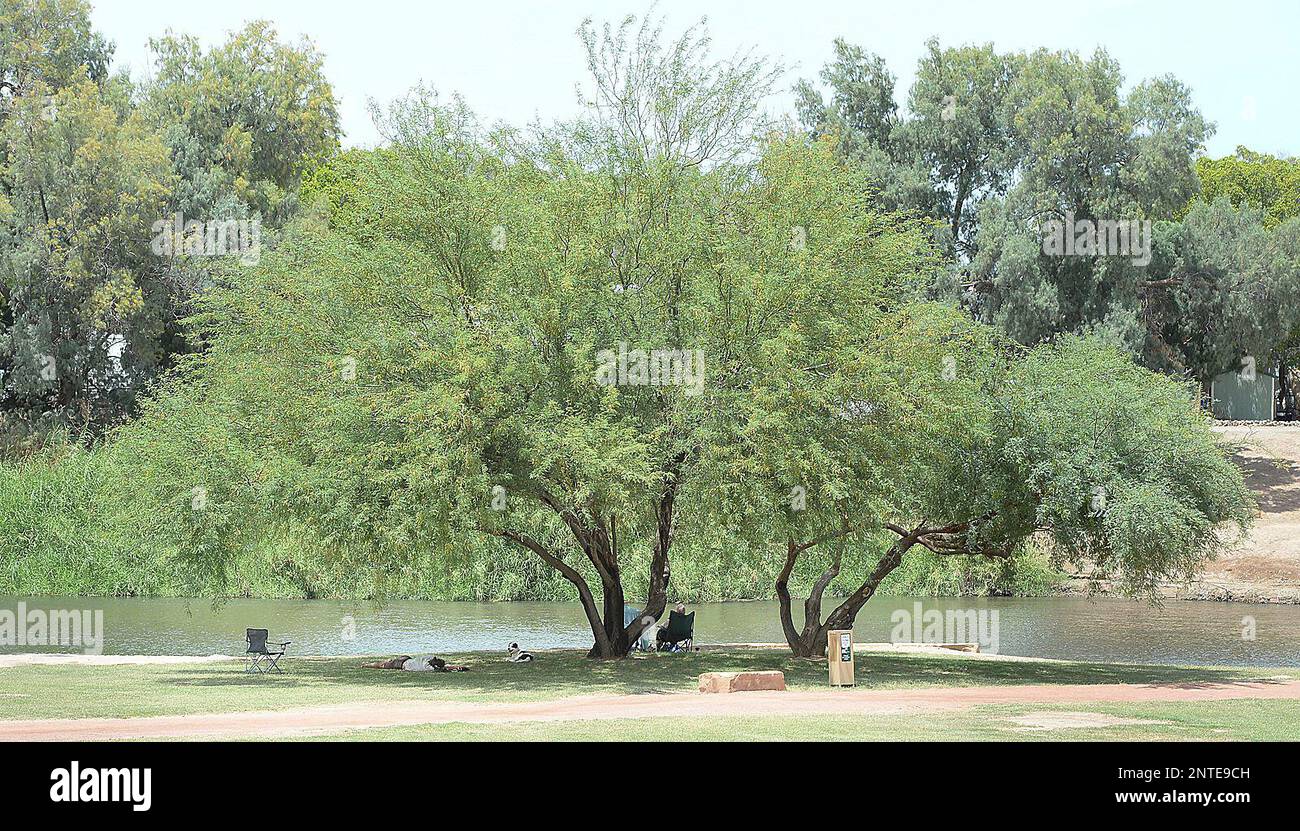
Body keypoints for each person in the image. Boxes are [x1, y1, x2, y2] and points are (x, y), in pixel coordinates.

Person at [362, 655, 468, 672]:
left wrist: (456, 667)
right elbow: (444, 669)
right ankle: (367, 665)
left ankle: (367, 664)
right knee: (383, 665)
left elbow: (445, 667)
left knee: (384, 663)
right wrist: (455, 668)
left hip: (406, 658)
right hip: (402, 664)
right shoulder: (428, 668)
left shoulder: (429, 658)